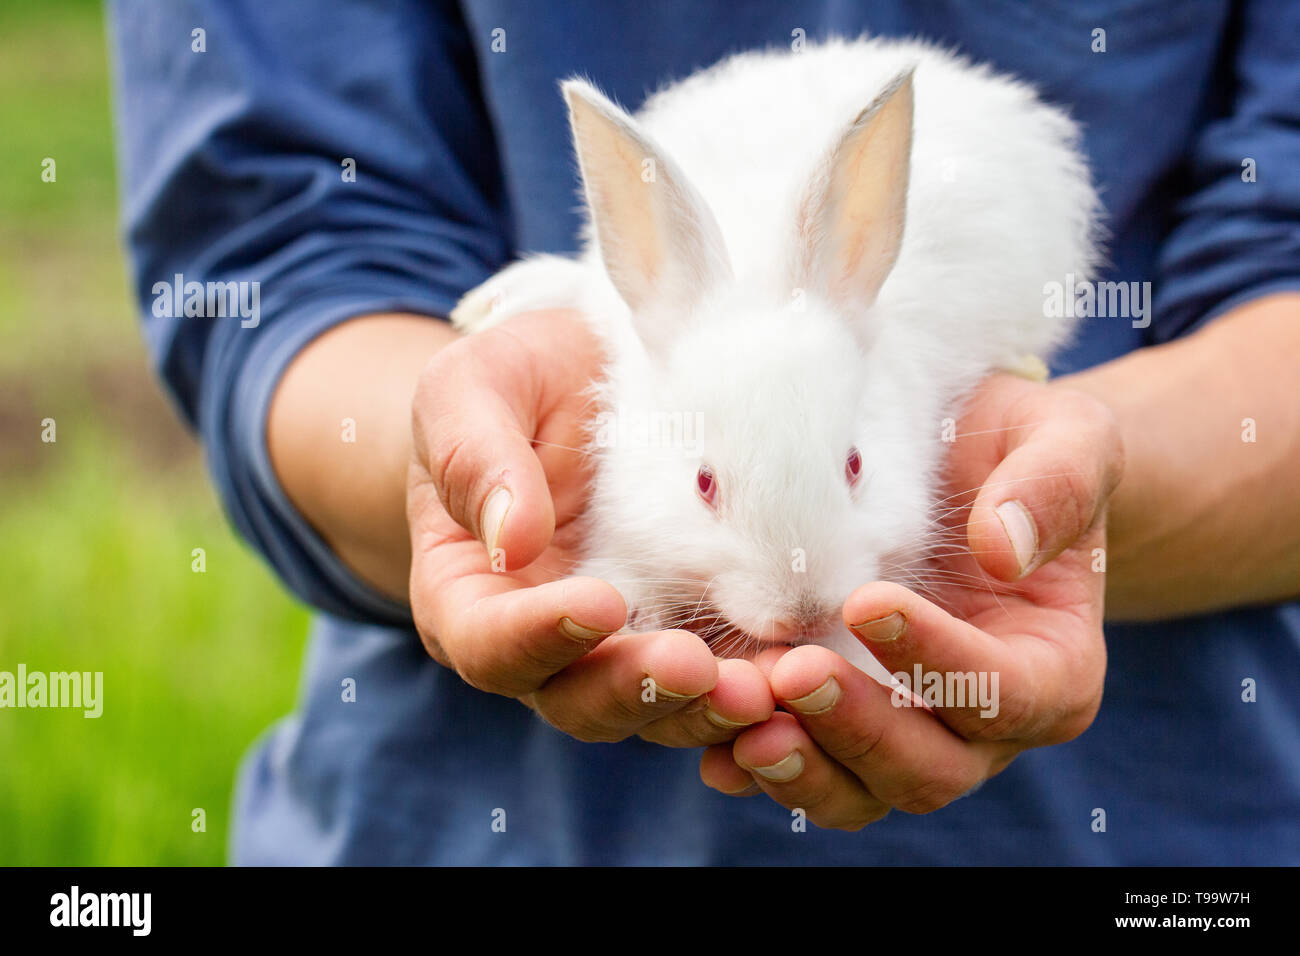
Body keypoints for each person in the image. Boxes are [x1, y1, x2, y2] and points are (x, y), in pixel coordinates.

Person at [108, 1, 1300, 864]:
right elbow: (281, 250)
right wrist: (470, 467)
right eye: (712, 490)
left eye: (848, 470)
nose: (787, 606)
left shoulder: (892, 306)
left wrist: (1059, 494)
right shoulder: (640, 349)